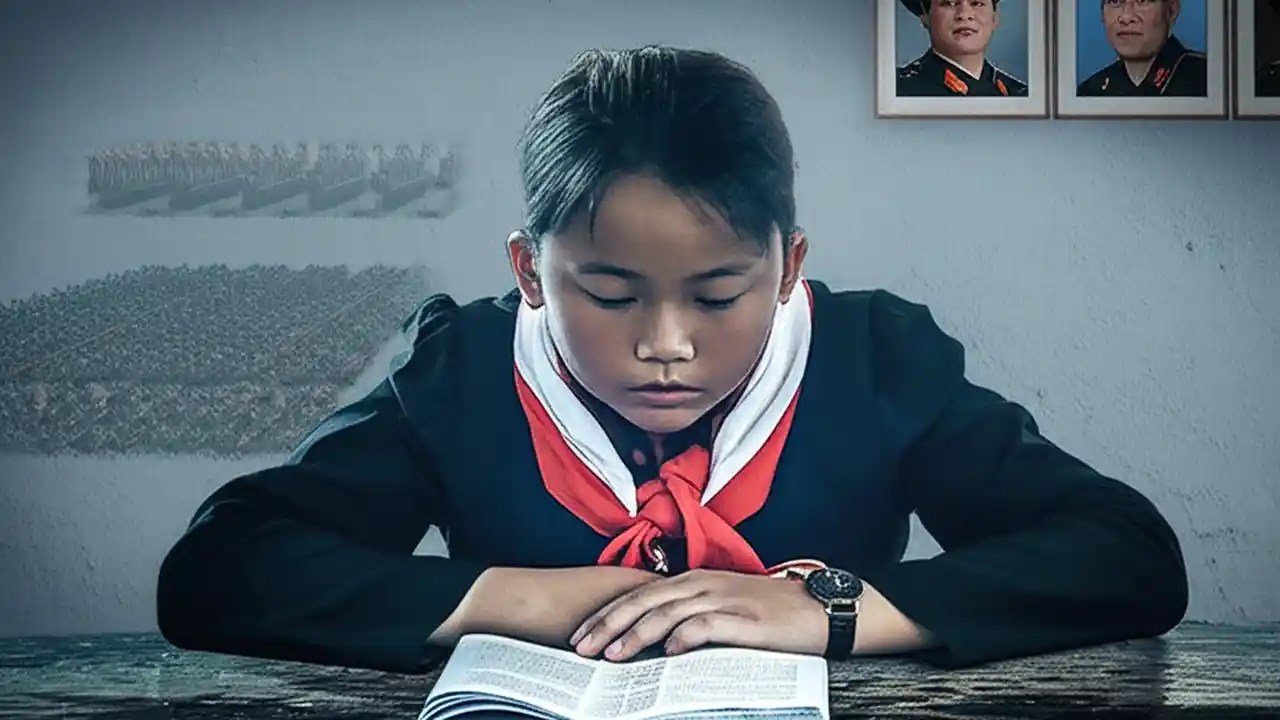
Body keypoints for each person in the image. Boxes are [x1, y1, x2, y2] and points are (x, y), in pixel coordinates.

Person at [155, 46, 1188, 675]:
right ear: (527, 270)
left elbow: (1126, 554)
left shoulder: (874, 360)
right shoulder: (462, 372)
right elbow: (215, 572)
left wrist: (824, 611)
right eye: (606, 295)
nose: (664, 344)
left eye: (717, 294)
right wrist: (542, 600)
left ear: (787, 266)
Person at [896, 0, 1029, 97]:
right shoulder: (896, 89)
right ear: (925, 18)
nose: (964, 14)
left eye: (977, 3)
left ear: (994, 18)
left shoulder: (1019, 94)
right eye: (949, 3)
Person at [1078, 0, 1207, 97]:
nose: (1126, 17)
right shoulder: (1090, 91)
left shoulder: (1206, 80)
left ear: (1172, 11)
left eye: (1142, 1)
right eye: (1115, 1)